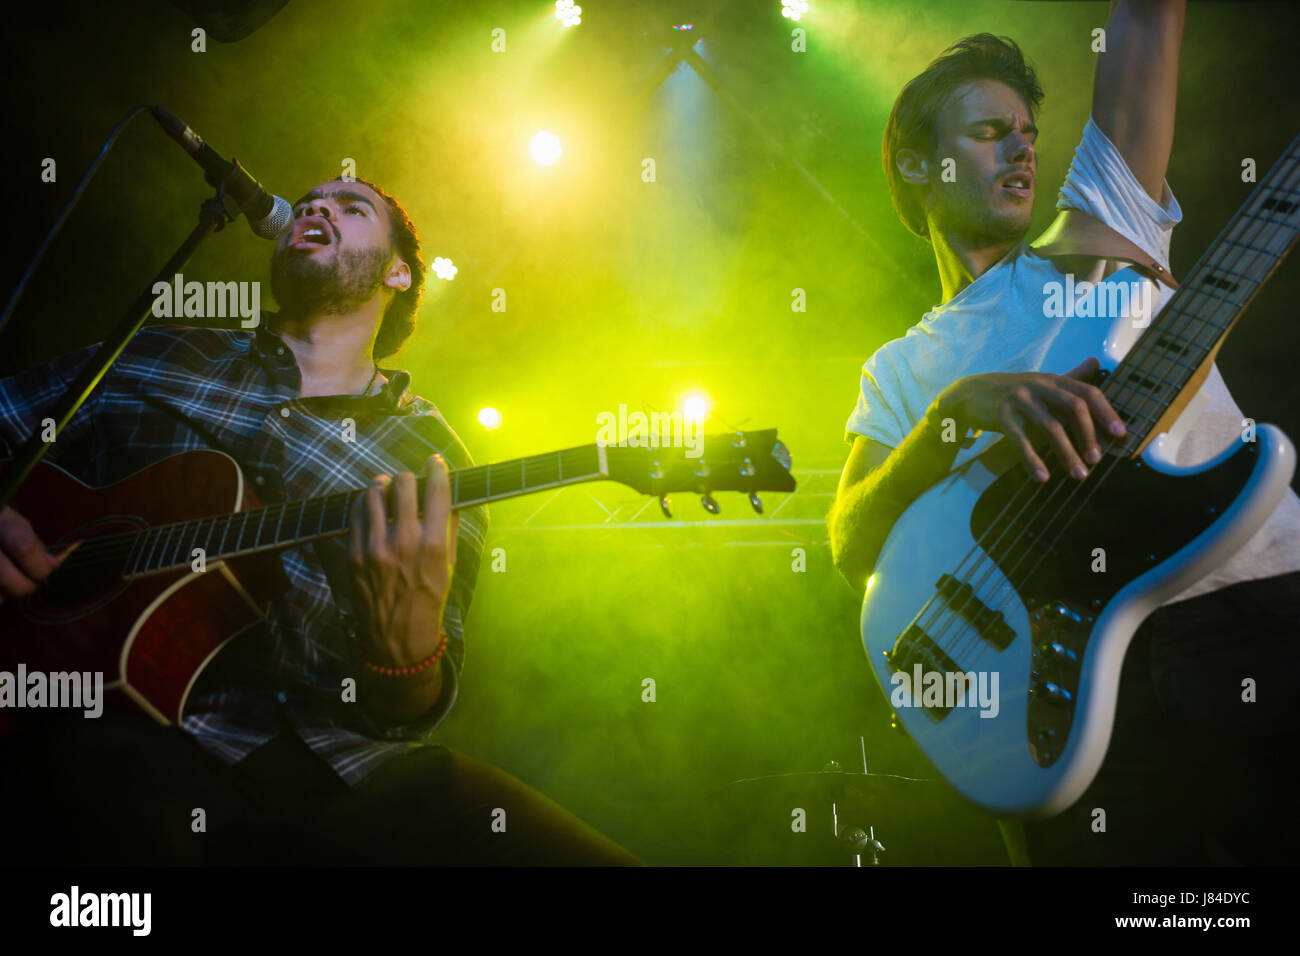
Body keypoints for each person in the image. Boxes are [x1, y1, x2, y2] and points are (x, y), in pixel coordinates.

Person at [0, 176, 641, 865]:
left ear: (399, 272)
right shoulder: (159, 353)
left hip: (336, 775)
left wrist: (408, 651)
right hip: (93, 726)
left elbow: (403, 709)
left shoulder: (430, 463)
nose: (313, 207)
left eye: (350, 207)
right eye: (308, 201)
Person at [828, 3, 1300, 864]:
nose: (1021, 149)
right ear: (913, 162)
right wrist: (951, 414)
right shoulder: (900, 369)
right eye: (987, 131)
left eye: (1027, 131)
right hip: (1062, 683)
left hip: (1254, 612)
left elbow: (1149, 22)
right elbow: (851, 538)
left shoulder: (1096, 228)